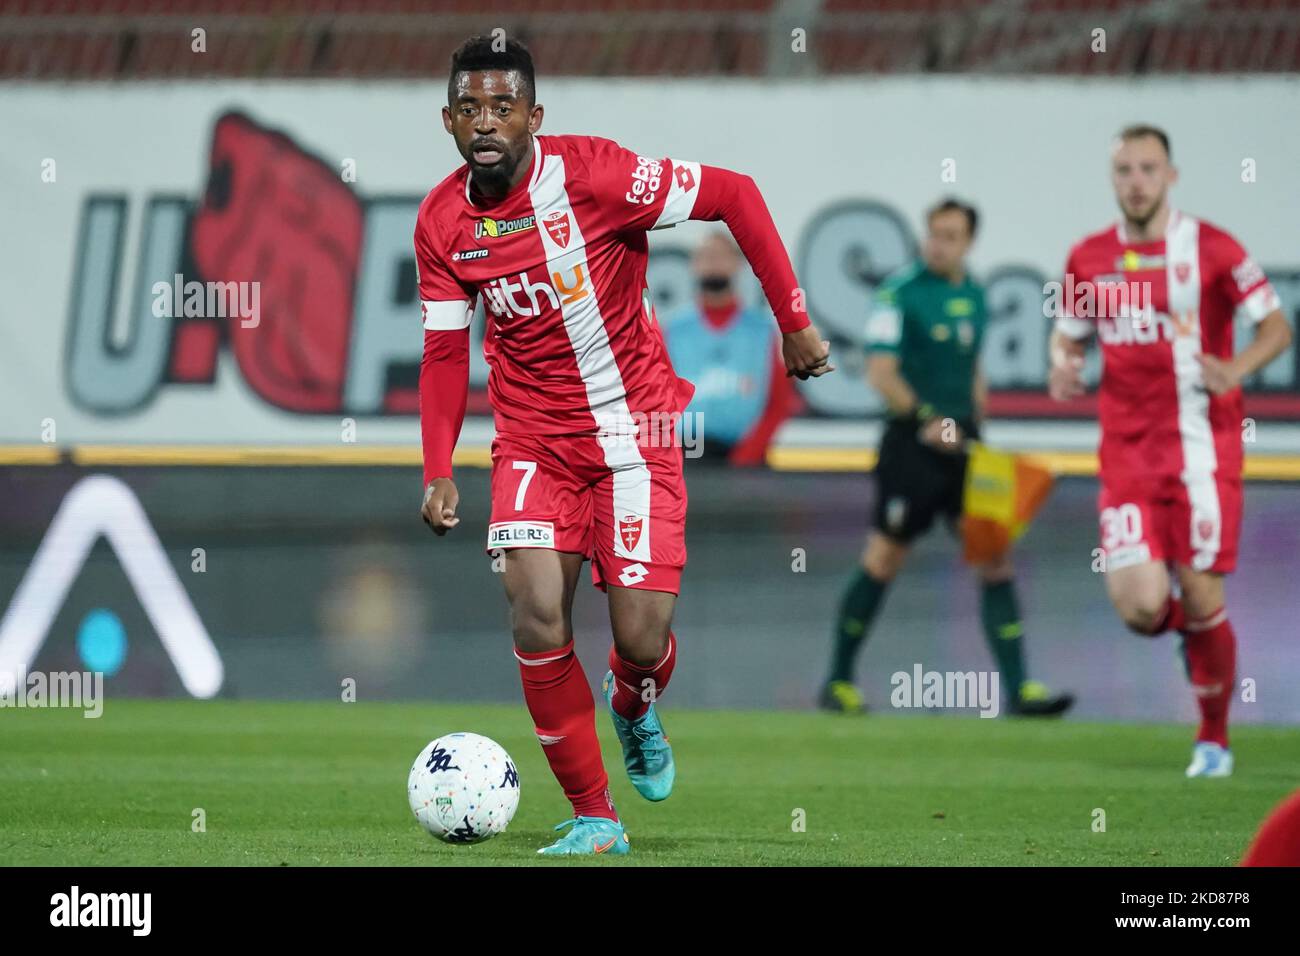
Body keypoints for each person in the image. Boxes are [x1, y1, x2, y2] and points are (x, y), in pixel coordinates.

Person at [415, 36, 833, 855]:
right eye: (471, 108)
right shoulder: (441, 223)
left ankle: (635, 702)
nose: (487, 122)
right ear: (449, 121)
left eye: (504, 107)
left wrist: (793, 321)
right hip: (534, 440)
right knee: (536, 615)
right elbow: (441, 351)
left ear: (535, 117)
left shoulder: (600, 177)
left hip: (637, 432)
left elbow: (735, 195)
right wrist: (436, 468)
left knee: (640, 639)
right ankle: (596, 815)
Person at [1049, 124, 1291, 777]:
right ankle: (1197, 635)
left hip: (1203, 452)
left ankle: (1213, 739)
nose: (1136, 181)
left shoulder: (1213, 248)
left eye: (1148, 168)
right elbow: (1068, 336)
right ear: (1113, 178)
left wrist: (1236, 366)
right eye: (1124, 169)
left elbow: (1276, 325)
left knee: (1204, 594)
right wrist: (1062, 364)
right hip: (1126, 457)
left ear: (1171, 176)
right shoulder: (1088, 256)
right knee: (1139, 608)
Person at [822, 198, 1074, 717]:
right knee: (884, 557)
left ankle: (1021, 689)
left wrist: (978, 424)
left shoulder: (977, 294)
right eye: (933, 233)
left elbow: (973, 367)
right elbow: (881, 374)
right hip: (910, 446)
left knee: (994, 556)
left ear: (969, 242)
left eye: (950, 235)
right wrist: (926, 418)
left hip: (966, 451)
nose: (937, 243)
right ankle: (838, 681)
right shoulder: (898, 295)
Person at [661, 231, 803, 464]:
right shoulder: (674, 331)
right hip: (686, 458)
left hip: (746, 457)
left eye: (721, 256)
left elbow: (780, 400)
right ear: (694, 265)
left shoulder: (762, 332)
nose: (713, 263)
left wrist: (747, 455)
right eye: (706, 256)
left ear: (738, 264)